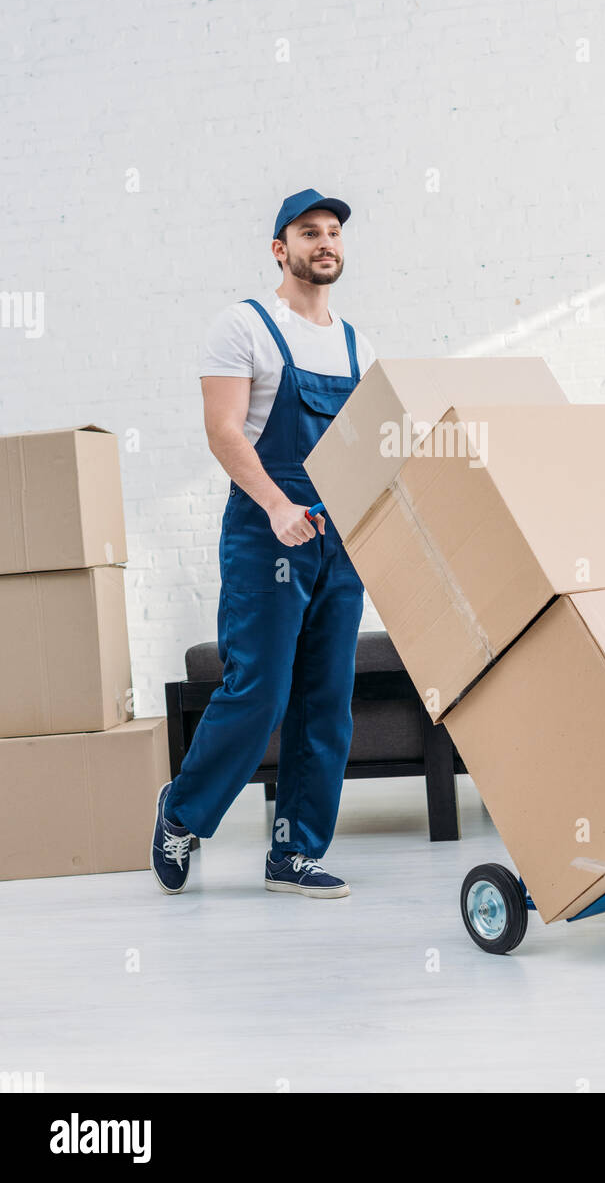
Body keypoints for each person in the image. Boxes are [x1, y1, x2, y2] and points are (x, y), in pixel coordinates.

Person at [150, 188, 376, 898]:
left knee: (326, 700)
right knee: (259, 692)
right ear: (280, 249)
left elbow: (361, 449)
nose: (324, 242)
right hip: (264, 529)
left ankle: (294, 854)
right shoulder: (242, 326)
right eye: (308, 232)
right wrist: (278, 506)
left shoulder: (355, 345)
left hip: (338, 541)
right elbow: (223, 430)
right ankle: (181, 813)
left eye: (333, 231)